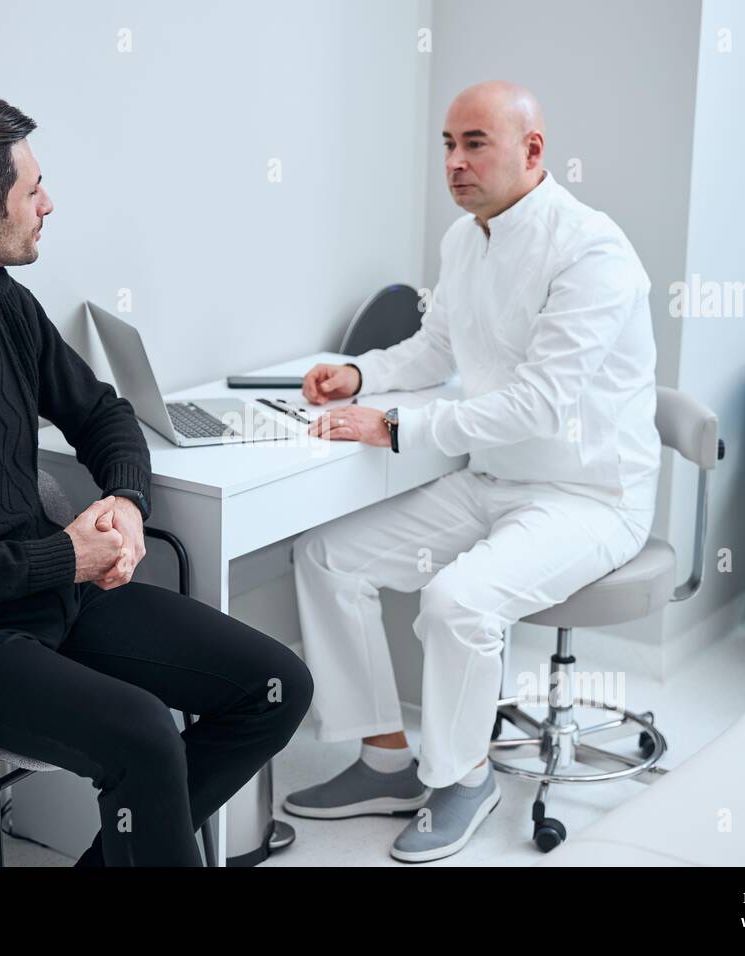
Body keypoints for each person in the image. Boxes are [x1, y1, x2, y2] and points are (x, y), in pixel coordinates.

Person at [0, 97, 312, 866]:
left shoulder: (4, 304)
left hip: (60, 600)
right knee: (145, 736)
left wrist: (127, 504)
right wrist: (65, 558)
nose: (49, 203)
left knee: (276, 686)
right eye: (33, 190)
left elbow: (103, 413)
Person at [285, 81, 660, 863]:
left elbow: (540, 404)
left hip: (587, 495)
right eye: (448, 145)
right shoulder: (466, 241)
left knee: (455, 602)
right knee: (327, 556)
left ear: (532, 150)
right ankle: (387, 761)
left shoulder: (591, 250)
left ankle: (463, 779)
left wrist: (395, 426)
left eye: (474, 144)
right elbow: (436, 350)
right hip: (493, 480)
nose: (454, 163)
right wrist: (361, 375)